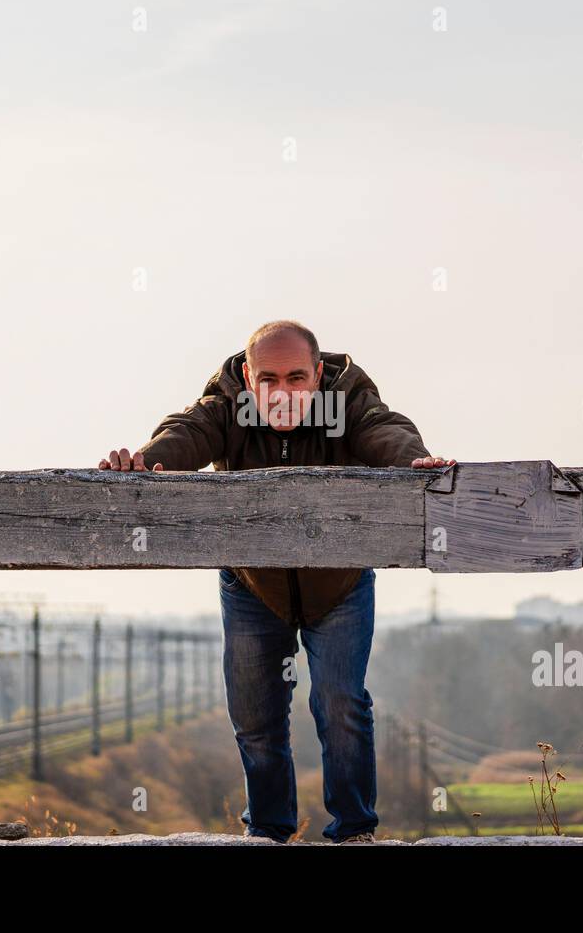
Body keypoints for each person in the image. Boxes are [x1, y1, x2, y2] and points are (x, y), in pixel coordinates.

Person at [98, 320, 454, 843]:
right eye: (268, 379)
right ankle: (267, 832)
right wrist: (148, 461)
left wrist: (413, 461)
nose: (282, 393)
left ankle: (354, 831)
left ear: (318, 376)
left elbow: (384, 428)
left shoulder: (347, 399)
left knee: (339, 704)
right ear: (248, 376)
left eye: (296, 378)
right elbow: (187, 433)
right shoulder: (226, 404)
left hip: (338, 586)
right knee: (254, 715)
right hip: (252, 585)